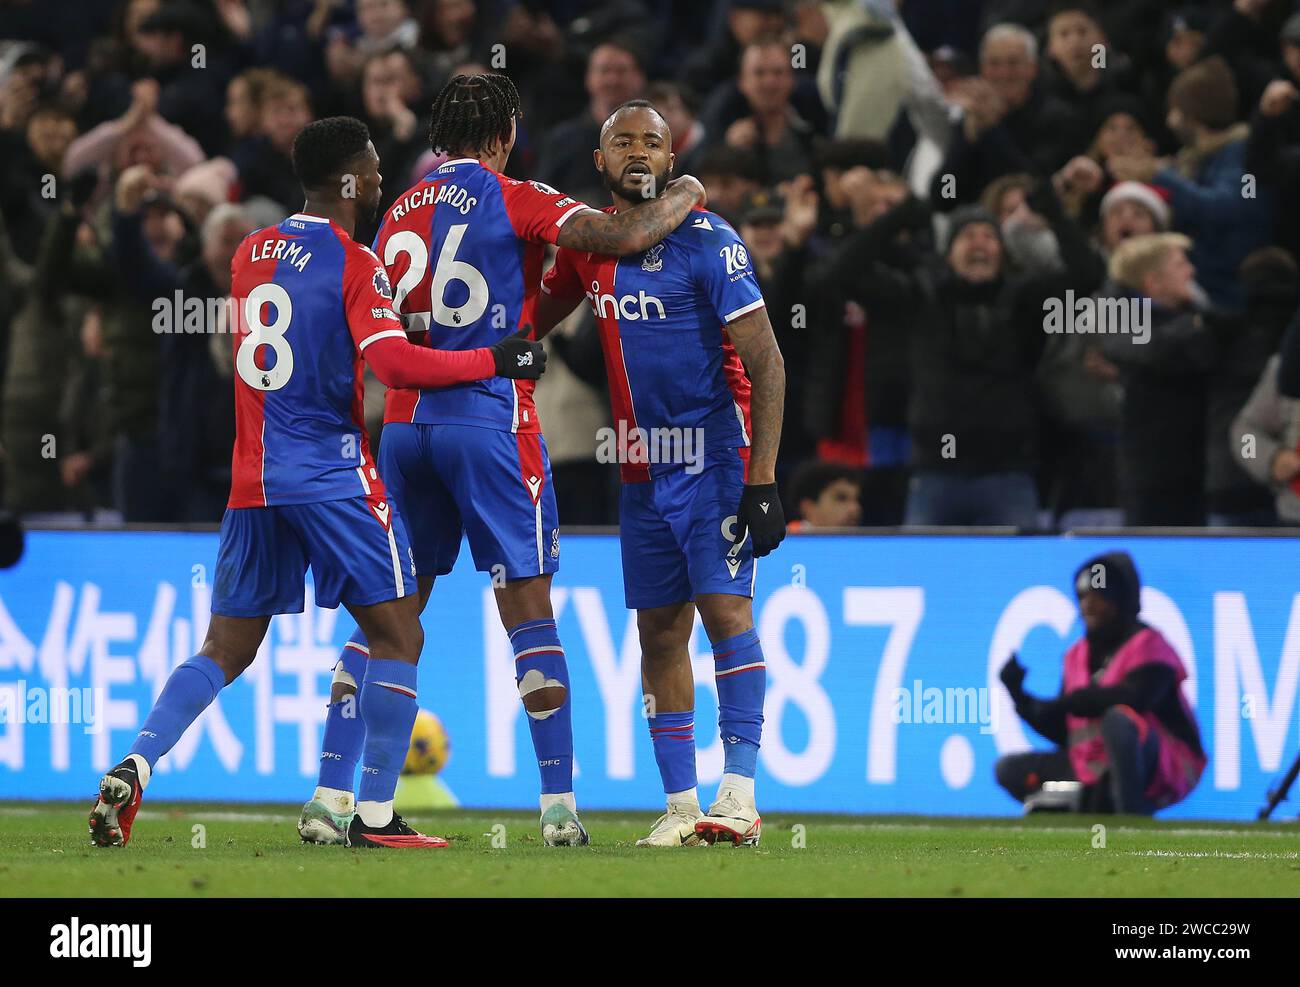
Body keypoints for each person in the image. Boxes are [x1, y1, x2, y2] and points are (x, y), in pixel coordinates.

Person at [87, 116, 547, 851]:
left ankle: (139, 758)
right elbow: (395, 368)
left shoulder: (247, 253)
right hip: (332, 475)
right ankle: (372, 815)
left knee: (225, 647)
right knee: (399, 631)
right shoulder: (354, 262)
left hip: (250, 481)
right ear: (346, 180)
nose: (377, 180)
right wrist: (496, 360)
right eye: (368, 170)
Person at [298, 75, 708, 849]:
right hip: (489, 423)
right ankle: (557, 809)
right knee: (526, 611)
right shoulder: (515, 194)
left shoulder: (397, 213)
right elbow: (620, 238)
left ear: (438, 134)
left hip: (407, 426)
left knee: (390, 619)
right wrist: (684, 189)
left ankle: (330, 795)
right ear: (506, 133)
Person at [536, 98, 787, 847]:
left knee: (724, 612)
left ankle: (738, 795)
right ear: (600, 162)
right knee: (657, 632)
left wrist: (764, 478)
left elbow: (769, 359)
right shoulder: (592, 247)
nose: (638, 151)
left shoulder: (712, 243)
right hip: (639, 469)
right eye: (623, 141)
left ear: (673, 161)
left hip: (714, 456)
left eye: (653, 141)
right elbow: (532, 316)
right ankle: (682, 807)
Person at [995, 551, 1205, 815]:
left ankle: (1128, 816)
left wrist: (1070, 701)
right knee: (1008, 770)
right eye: (1082, 597)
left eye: (1098, 595)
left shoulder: (1151, 646)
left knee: (1118, 720)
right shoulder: (1076, 655)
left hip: (1164, 766)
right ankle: (1087, 803)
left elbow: (1134, 697)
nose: (1087, 605)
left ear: (1121, 598)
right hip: (1092, 767)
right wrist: (1020, 697)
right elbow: (1065, 733)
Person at [786, 460, 863, 530]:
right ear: (808, 507)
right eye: (841, 498)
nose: (855, 508)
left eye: (856, 499)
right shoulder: (785, 542)